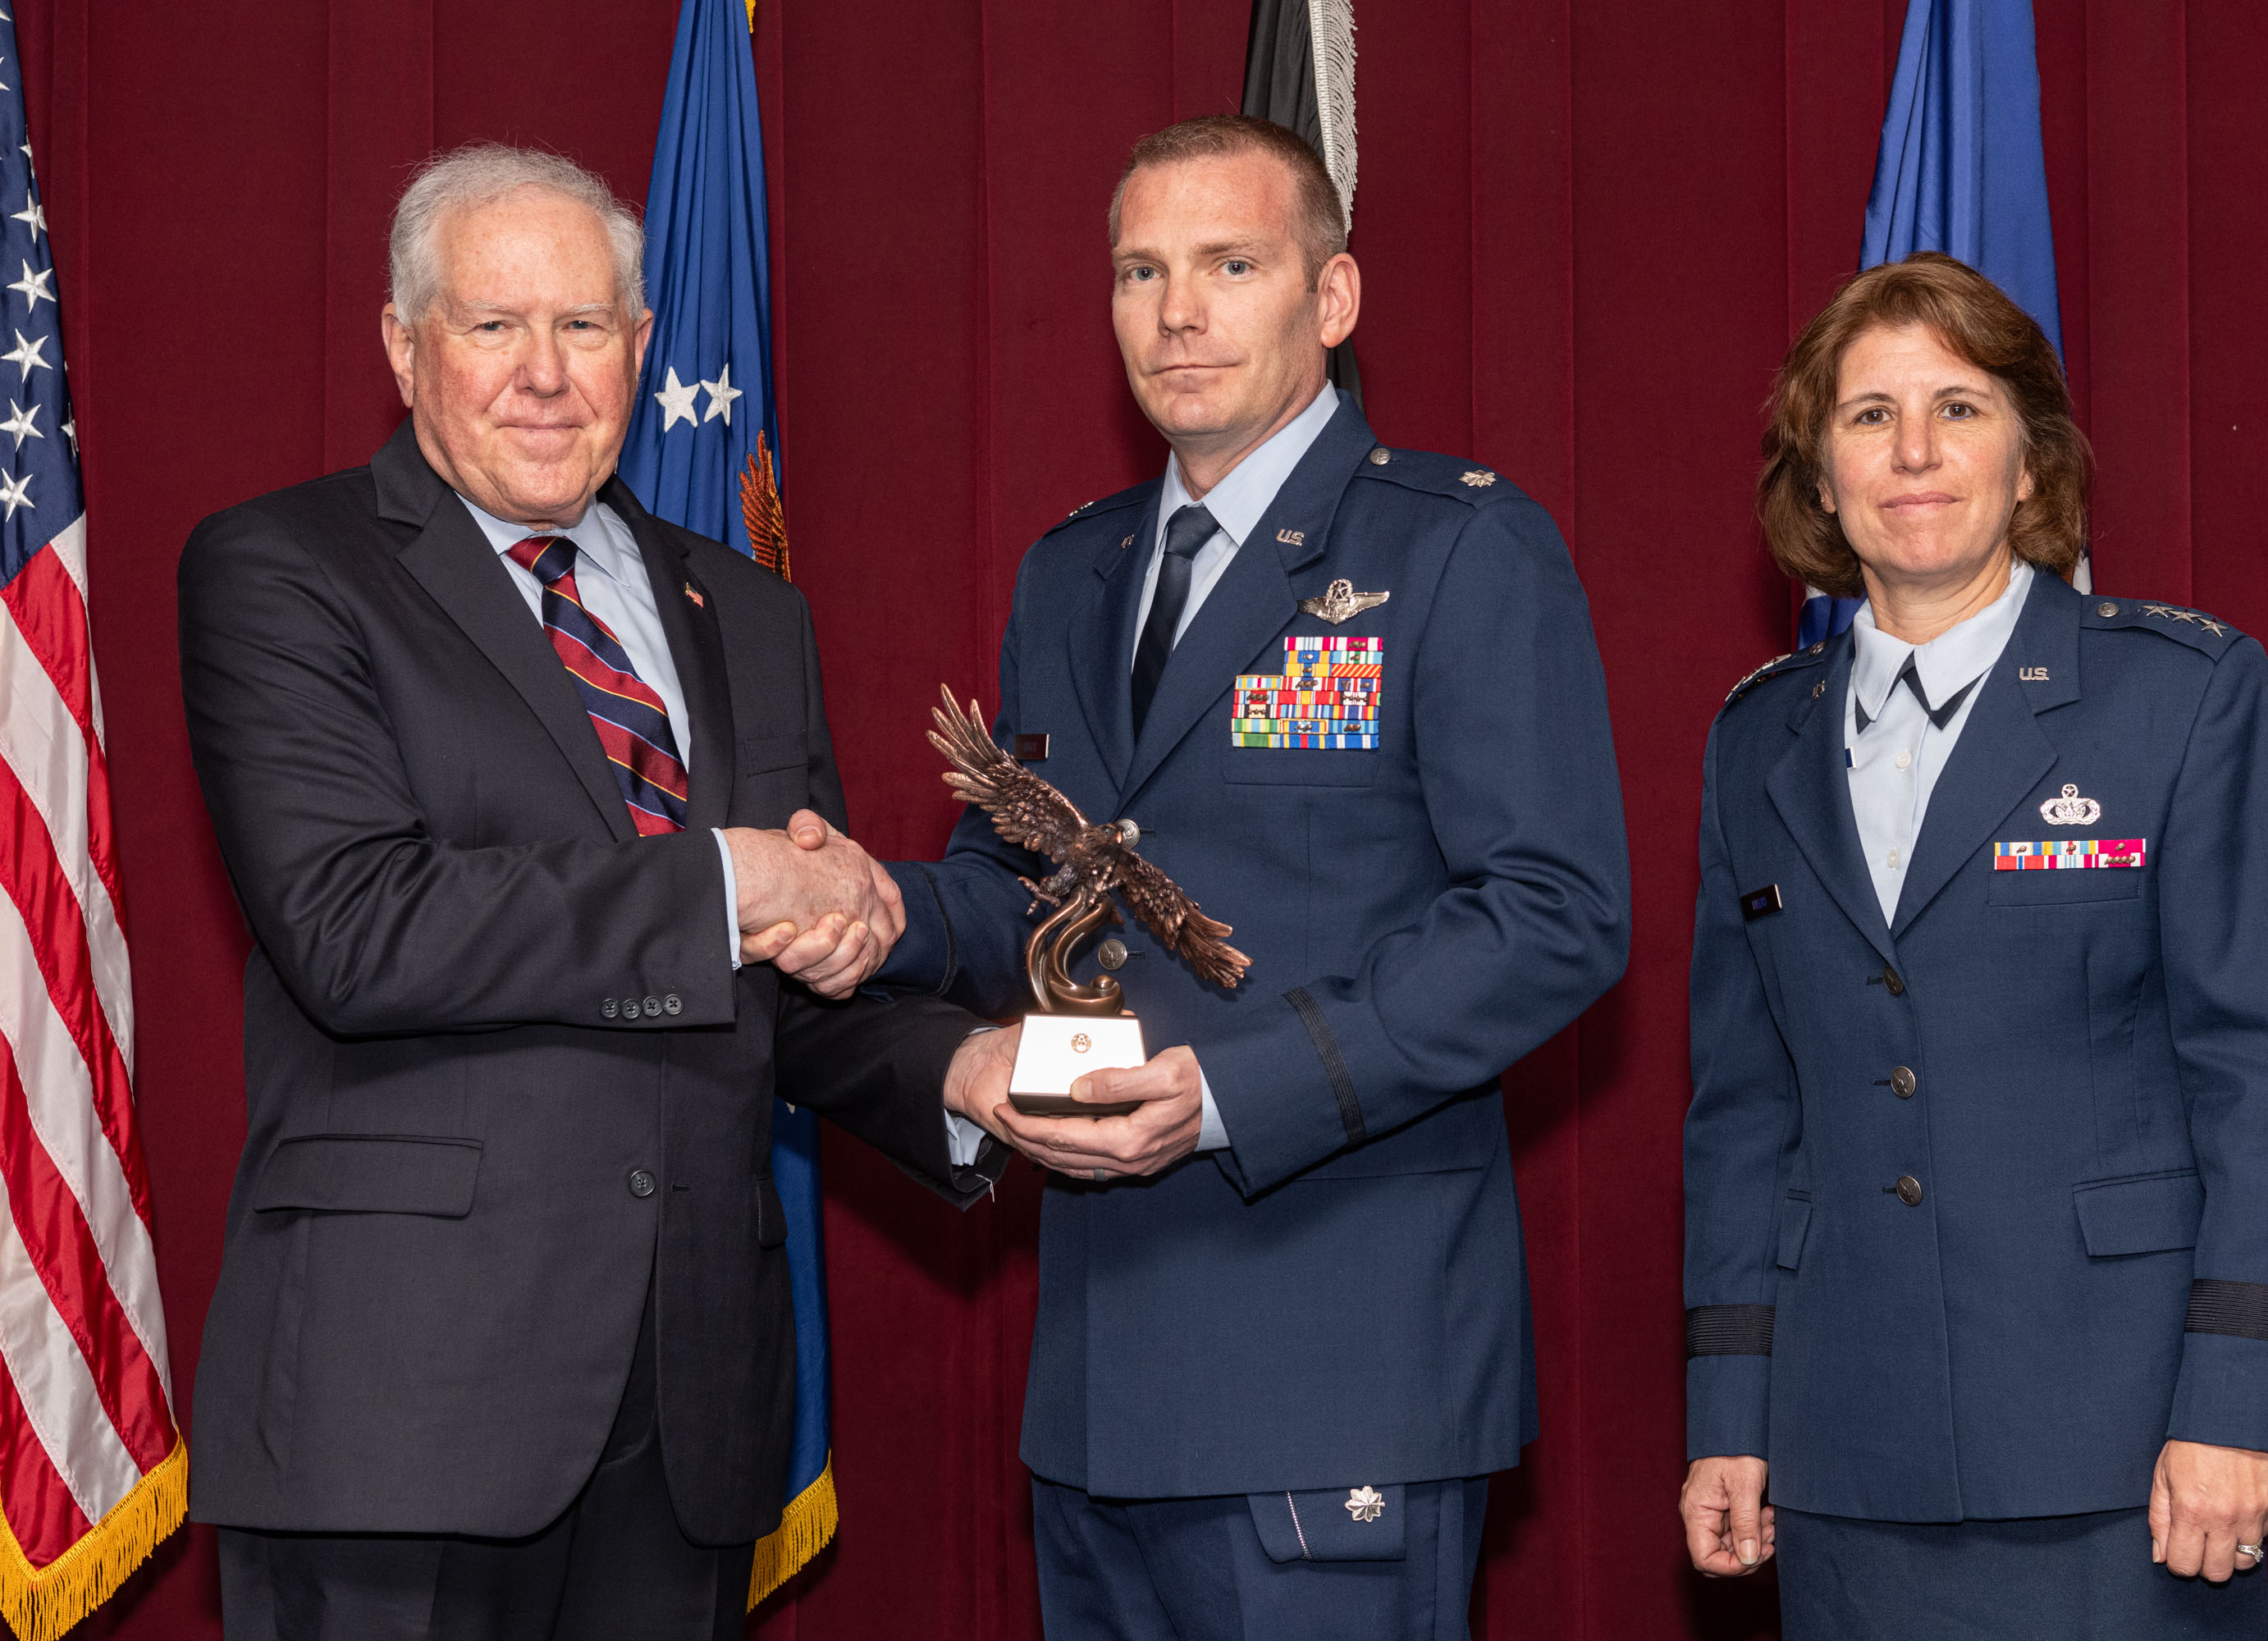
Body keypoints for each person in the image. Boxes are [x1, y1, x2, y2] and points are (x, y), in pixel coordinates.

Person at [178, 144, 1012, 1641]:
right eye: (493, 326)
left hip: (683, 1407)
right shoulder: (282, 570)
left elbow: (760, 978)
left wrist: (954, 1067)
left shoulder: (749, 613)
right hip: (402, 1411)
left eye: (584, 328)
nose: (544, 374)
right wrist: (723, 879)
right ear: (403, 346)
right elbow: (360, 930)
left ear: (640, 350)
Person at [814, 114, 1628, 1641]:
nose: (1176, 312)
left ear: (1331, 300)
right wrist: (874, 907)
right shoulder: (1072, 570)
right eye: (1140, 270)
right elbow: (1039, 886)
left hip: (1338, 1358)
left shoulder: (1457, 549)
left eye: (1229, 264)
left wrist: (1236, 1088)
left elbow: (1554, 918)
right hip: (1104, 1379)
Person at [1678, 251, 2268, 1636]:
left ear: (2032, 464)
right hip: (1844, 1451)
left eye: (1960, 409)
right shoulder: (1755, 742)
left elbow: (2264, 1084)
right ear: (1817, 477)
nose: (1914, 452)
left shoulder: (2182, 697)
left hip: (2129, 1449)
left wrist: (2237, 1402)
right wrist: (1730, 1413)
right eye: (1868, 417)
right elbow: (1743, 1113)